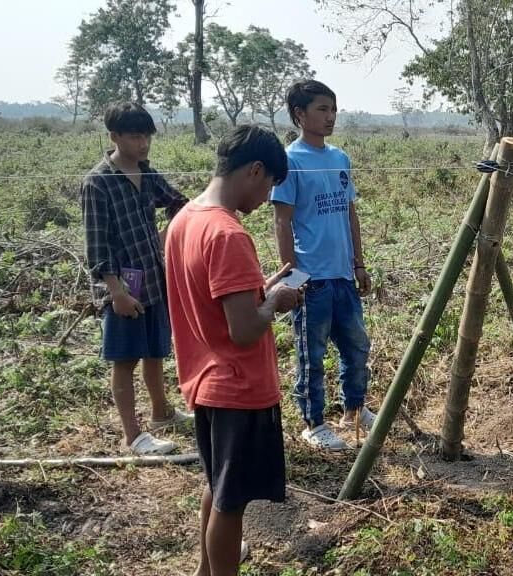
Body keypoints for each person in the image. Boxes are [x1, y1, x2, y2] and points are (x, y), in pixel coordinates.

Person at [164, 124, 302, 576]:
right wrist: (276, 303)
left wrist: (260, 290)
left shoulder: (184, 220)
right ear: (255, 171)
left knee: (217, 484)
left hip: (204, 381)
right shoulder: (228, 234)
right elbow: (244, 329)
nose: (266, 198)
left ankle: (206, 570)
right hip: (238, 387)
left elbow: (218, 303)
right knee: (232, 501)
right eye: (269, 187)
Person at [80, 102, 192, 456]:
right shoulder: (98, 182)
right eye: (134, 136)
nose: (143, 143)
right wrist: (116, 292)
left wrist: (163, 237)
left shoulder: (147, 173)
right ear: (114, 137)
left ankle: (161, 413)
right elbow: (97, 245)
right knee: (126, 359)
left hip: (153, 276)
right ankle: (133, 436)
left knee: (156, 349)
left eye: (146, 136)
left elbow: (179, 203)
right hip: (124, 285)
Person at [271, 80, 375, 450]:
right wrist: (292, 276)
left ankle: (355, 408)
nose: (330, 117)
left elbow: (349, 212)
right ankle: (313, 423)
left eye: (332, 109)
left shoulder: (339, 158)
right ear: (299, 114)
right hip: (311, 279)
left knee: (356, 345)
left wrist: (359, 264)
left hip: (343, 275)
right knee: (311, 354)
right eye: (321, 109)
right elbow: (282, 222)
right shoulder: (291, 162)